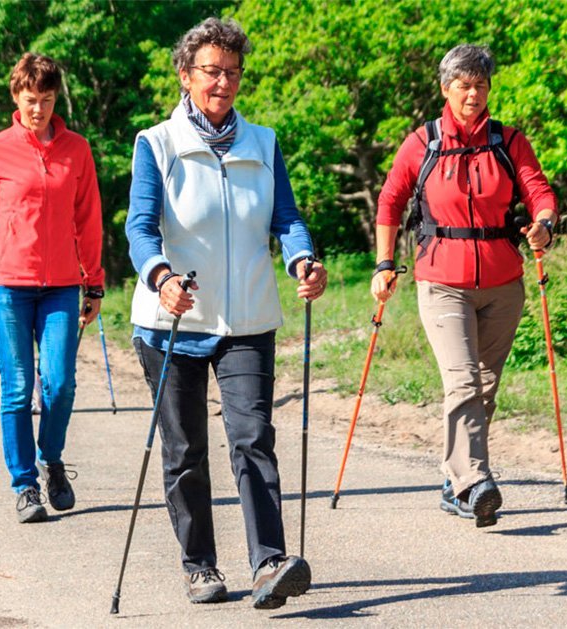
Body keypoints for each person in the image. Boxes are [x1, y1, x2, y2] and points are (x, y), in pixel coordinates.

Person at [127, 17, 326, 610]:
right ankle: (200, 566)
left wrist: (303, 260)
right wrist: (161, 279)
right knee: (185, 450)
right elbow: (139, 229)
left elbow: (285, 219)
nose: (224, 83)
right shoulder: (155, 144)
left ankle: (269, 562)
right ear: (186, 76)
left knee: (252, 437)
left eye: (233, 73)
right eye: (212, 71)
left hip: (247, 320)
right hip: (173, 322)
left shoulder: (262, 142)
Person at [372, 44, 558, 528]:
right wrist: (383, 263)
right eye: (463, 85)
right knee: (463, 380)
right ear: (445, 89)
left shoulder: (509, 141)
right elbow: (390, 201)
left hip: (503, 281)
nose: (473, 94)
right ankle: (475, 481)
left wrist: (544, 224)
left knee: (486, 386)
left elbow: (537, 188)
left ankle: (454, 484)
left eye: (480, 85)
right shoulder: (423, 142)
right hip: (441, 280)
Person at [0, 53, 104, 525]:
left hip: (59, 286)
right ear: (16, 97)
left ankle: (50, 459)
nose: (40, 110)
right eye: (32, 100)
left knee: (61, 385)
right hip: (6, 285)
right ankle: (25, 485)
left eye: (48, 100)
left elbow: (89, 219)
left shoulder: (77, 150)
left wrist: (93, 281)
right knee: (17, 387)